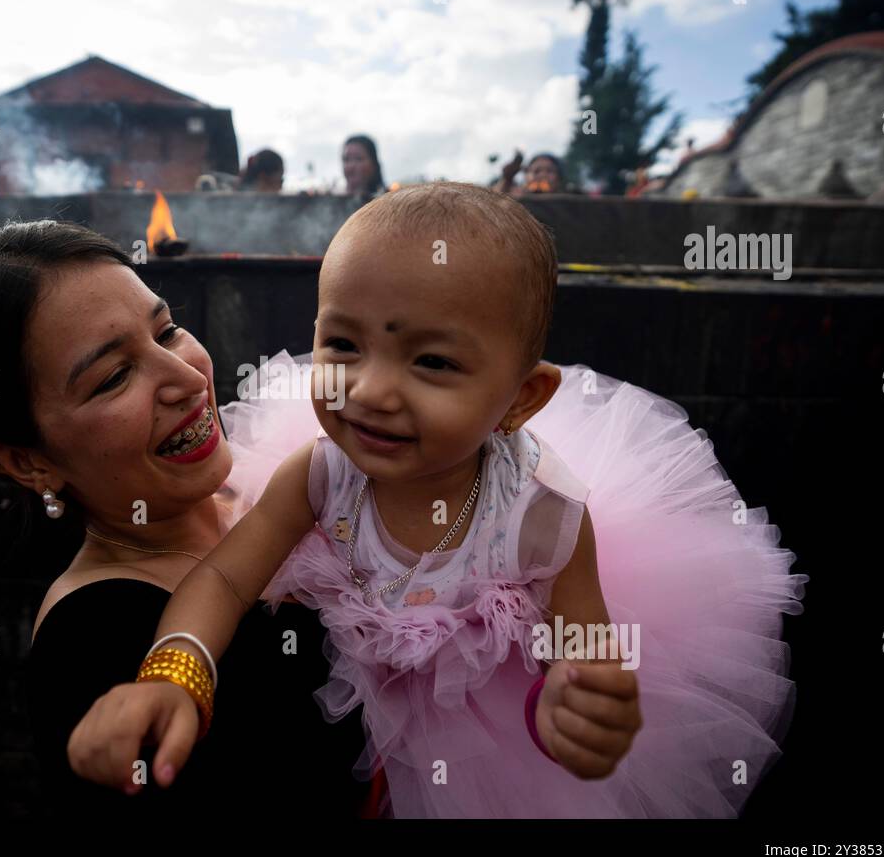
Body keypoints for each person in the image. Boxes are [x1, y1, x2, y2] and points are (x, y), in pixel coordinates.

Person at [66, 182, 807, 818]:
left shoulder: (548, 518)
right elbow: (225, 577)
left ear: (522, 398)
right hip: (359, 700)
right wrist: (174, 672)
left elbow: (585, 644)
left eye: (432, 361)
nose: (372, 390)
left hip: (482, 718)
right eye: (344, 345)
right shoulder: (320, 473)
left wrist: (578, 702)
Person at [0, 220, 371, 817]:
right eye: (115, 377)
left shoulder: (283, 468)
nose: (186, 378)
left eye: (167, 330)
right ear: (26, 460)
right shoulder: (101, 643)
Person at [492, 150, 574, 196]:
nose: (542, 175)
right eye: (536, 171)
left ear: (559, 179)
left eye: (549, 171)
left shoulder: (571, 200)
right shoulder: (516, 197)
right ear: (526, 176)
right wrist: (507, 179)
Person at [342, 134, 385, 198]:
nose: (350, 166)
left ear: (373, 164)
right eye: (346, 159)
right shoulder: (332, 201)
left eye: (358, 159)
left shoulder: (388, 202)